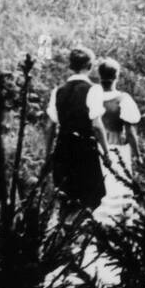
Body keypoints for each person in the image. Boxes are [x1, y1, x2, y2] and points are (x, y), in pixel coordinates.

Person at [44, 46, 108, 217]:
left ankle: (65, 235)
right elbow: (96, 124)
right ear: (90, 66)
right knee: (89, 196)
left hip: (63, 148)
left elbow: (50, 126)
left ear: (71, 66)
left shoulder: (58, 91)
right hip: (84, 148)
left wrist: (47, 153)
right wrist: (106, 151)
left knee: (66, 194)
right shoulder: (93, 89)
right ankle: (79, 236)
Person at [95, 58, 141, 207]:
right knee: (118, 185)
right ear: (116, 76)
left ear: (99, 75)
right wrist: (137, 154)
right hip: (117, 148)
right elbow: (130, 132)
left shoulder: (92, 98)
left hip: (95, 148)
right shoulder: (123, 99)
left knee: (101, 186)